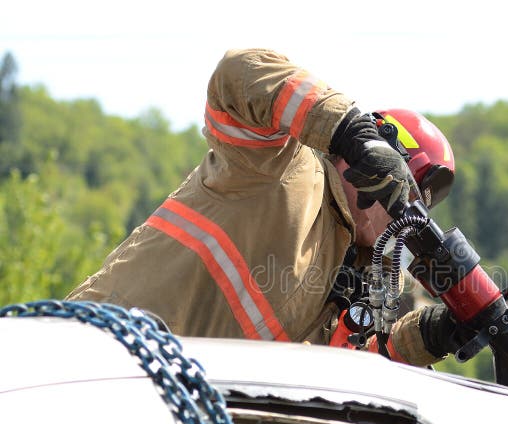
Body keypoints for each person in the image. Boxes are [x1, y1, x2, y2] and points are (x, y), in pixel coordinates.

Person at [67, 48, 457, 367]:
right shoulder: (284, 164)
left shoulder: (360, 279)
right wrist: (349, 131)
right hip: (89, 357)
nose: (402, 210)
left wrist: (430, 336)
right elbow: (236, 75)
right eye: (401, 186)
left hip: (172, 412)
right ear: (376, 159)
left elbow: (347, 375)